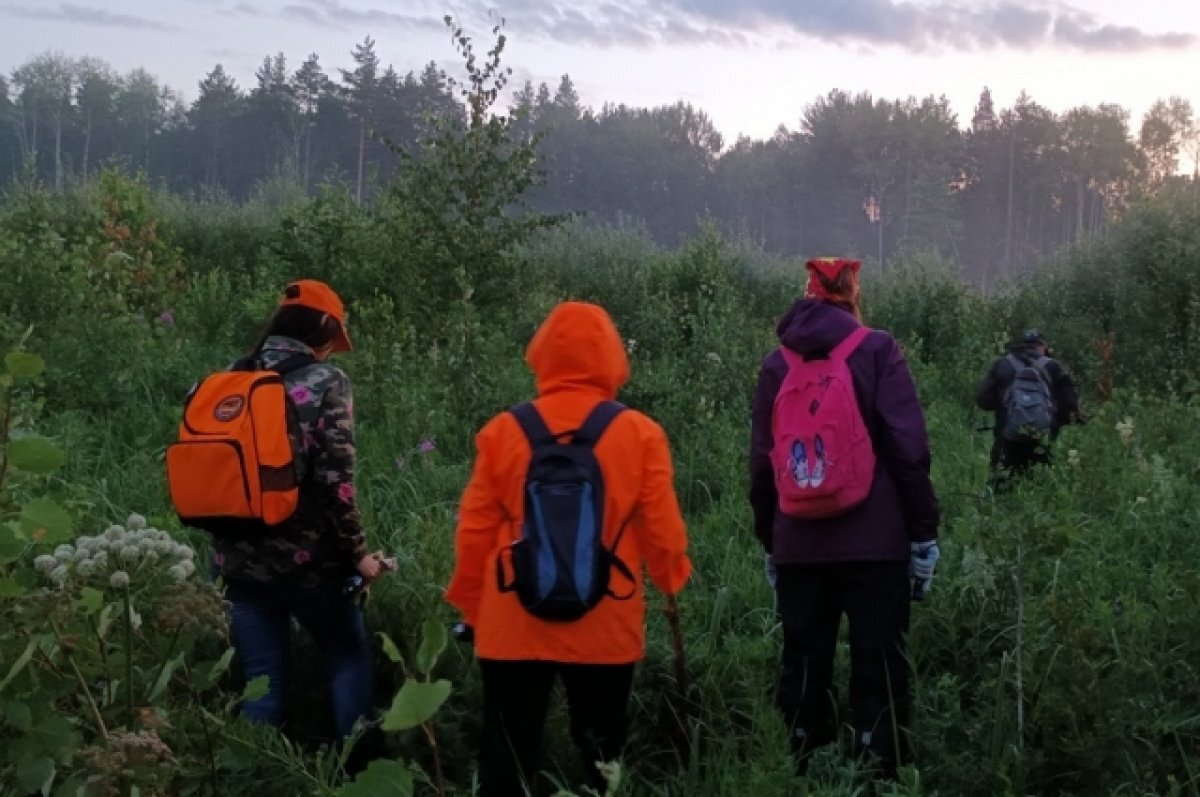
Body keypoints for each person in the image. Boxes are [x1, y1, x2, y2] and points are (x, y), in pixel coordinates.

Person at [447, 301, 692, 797]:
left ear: (541, 356)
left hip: (511, 617)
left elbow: (473, 532)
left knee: (508, 755)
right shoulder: (640, 433)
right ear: (612, 359)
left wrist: (471, 610)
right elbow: (662, 529)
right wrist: (671, 583)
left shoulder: (503, 431)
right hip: (607, 618)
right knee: (601, 753)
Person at [749, 258, 940, 778]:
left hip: (799, 545)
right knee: (879, 664)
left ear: (807, 294)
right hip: (875, 543)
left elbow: (762, 465)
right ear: (853, 294)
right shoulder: (877, 350)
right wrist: (923, 535)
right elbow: (908, 449)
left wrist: (772, 541)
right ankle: (877, 774)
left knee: (803, 666)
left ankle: (801, 769)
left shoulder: (776, 364)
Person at [212, 280, 388, 742]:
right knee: (347, 655)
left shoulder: (230, 377)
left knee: (262, 678)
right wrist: (359, 555)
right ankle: (358, 773)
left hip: (238, 558)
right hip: (310, 563)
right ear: (327, 327)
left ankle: (253, 771)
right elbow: (336, 483)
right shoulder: (326, 381)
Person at [975, 329, 1080, 481]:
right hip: (1042, 441)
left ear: (1020, 345)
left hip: (1007, 440)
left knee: (1002, 489)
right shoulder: (1055, 368)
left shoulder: (1002, 365)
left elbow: (983, 401)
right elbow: (1071, 408)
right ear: (1043, 346)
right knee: (1040, 490)